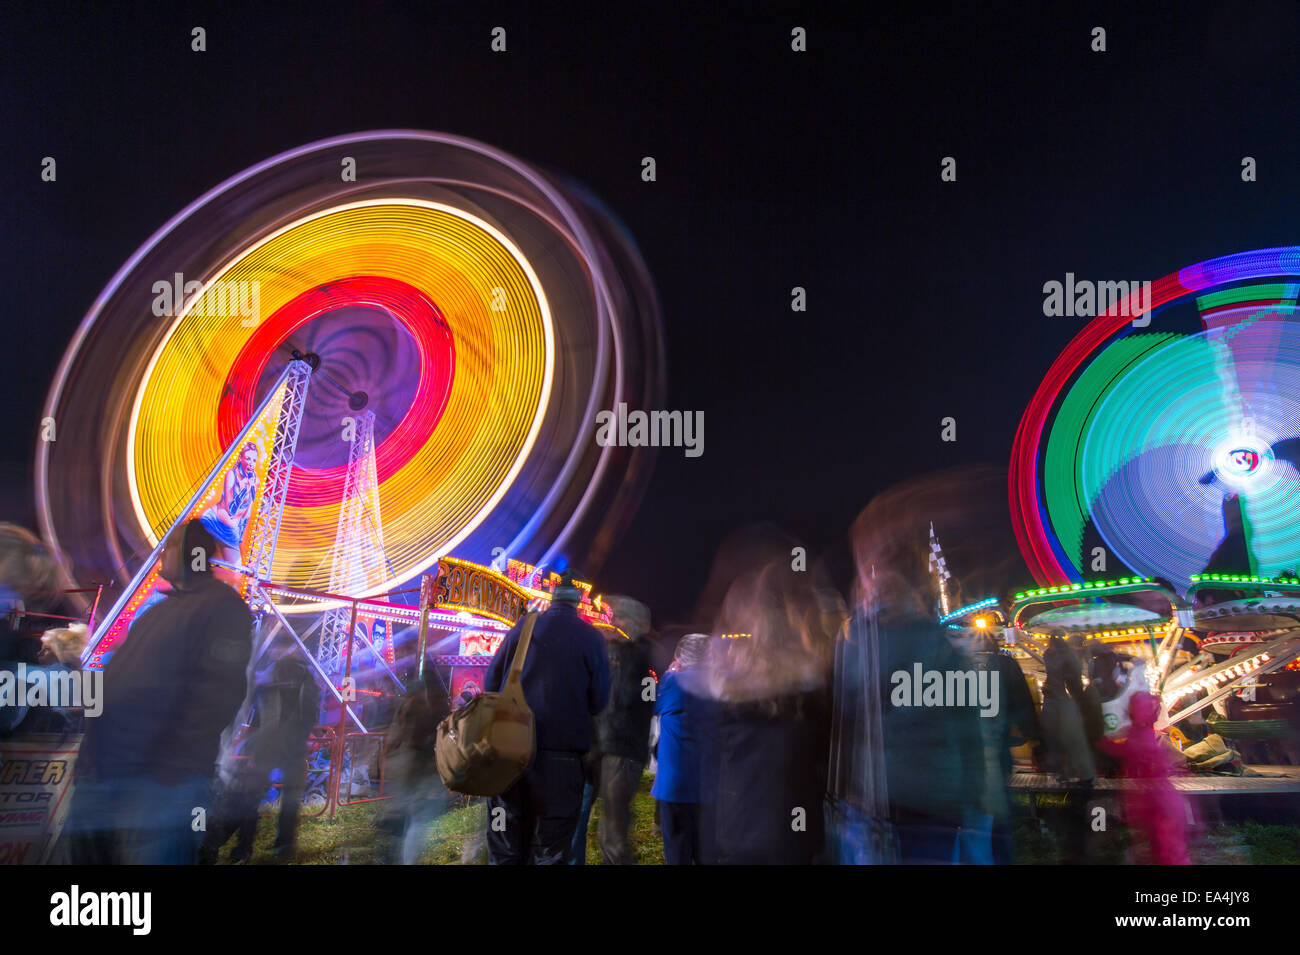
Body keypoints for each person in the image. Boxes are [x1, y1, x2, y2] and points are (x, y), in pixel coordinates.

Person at [61, 519, 253, 864]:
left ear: (193, 554)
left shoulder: (222, 607)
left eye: (170, 546)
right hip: (104, 775)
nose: (162, 553)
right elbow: (119, 679)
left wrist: (173, 765)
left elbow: (221, 694)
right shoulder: (156, 613)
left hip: (159, 784)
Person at [483, 570, 610, 864]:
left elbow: (491, 683)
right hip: (561, 763)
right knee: (550, 850)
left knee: (505, 842)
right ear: (577, 604)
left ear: (552, 601)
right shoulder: (591, 638)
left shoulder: (523, 629)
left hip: (510, 756)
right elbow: (600, 701)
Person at [201, 648, 319, 863]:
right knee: (252, 799)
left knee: (265, 799)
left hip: (284, 745)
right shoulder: (275, 681)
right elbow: (258, 714)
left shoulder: (283, 680)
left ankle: (269, 846)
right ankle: (248, 846)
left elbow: (308, 711)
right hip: (275, 746)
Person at [590, 595, 655, 865]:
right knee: (612, 825)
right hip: (626, 749)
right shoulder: (644, 656)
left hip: (619, 748)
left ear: (634, 623)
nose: (614, 623)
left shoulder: (630, 655)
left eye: (620, 618)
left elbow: (617, 701)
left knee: (613, 833)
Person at [377, 670, 453, 864]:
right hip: (420, 769)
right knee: (417, 821)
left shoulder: (406, 707)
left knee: (405, 816)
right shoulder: (425, 709)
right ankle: (402, 857)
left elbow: (396, 738)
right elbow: (426, 740)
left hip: (408, 767)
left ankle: (394, 853)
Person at [651, 633, 715, 864]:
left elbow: (650, 704)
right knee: (706, 851)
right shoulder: (718, 687)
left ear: (680, 656)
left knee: (677, 852)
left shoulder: (672, 683)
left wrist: (669, 673)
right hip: (709, 785)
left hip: (674, 786)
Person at [200, 442, 259, 568]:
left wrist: (244, 554)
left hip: (230, 530)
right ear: (240, 458)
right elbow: (230, 509)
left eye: (254, 459)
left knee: (235, 570)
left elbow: (246, 514)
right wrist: (245, 490)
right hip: (213, 520)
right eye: (248, 458)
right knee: (196, 564)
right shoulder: (231, 475)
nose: (251, 463)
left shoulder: (255, 481)